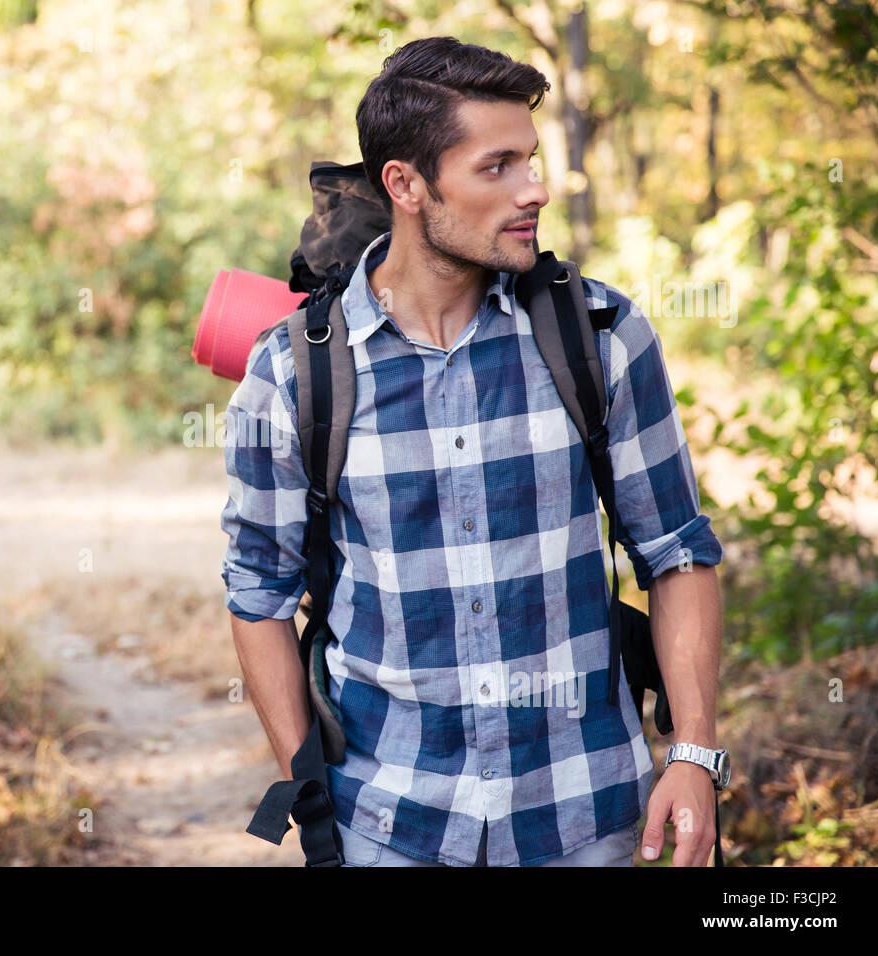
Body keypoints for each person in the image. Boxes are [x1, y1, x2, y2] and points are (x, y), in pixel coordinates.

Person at [219, 36, 726, 867]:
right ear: (406, 185)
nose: (537, 190)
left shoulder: (599, 338)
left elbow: (676, 554)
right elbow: (259, 595)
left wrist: (695, 754)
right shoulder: (292, 374)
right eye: (499, 167)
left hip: (588, 821)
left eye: (532, 160)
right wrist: (314, 806)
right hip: (388, 827)